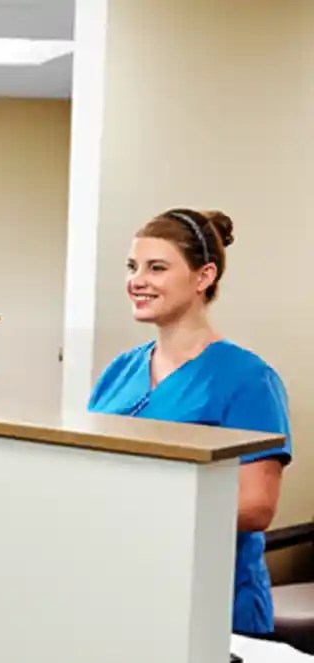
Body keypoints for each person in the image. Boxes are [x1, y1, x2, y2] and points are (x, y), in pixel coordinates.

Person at [87, 208, 292, 636]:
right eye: (132, 267)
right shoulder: (120, 370)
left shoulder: (247, 379)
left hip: (211, 599)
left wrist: (145, 512)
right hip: (122, 584)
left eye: (156, 268)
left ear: (204, 277)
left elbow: (256, 506)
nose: (137, 281)